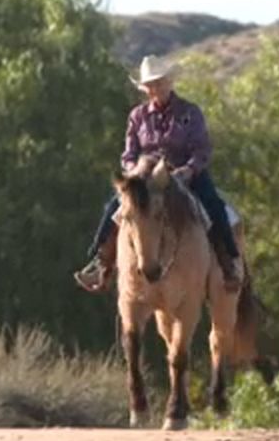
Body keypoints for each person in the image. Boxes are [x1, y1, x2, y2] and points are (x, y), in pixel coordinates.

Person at [74, 55, 242, 293]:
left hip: (184, 171)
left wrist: (189, 169)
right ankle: (101, 263)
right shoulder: (137, 116)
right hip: (145, 175)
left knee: (213, 204)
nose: (155, 88)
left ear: (170, 82)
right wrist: (132, 171)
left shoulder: (190, 112)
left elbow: (202, 149)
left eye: (160, 82)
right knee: (114, 207)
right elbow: (129, 153)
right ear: (145, 88)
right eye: (150, 85)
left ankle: (228, 265)